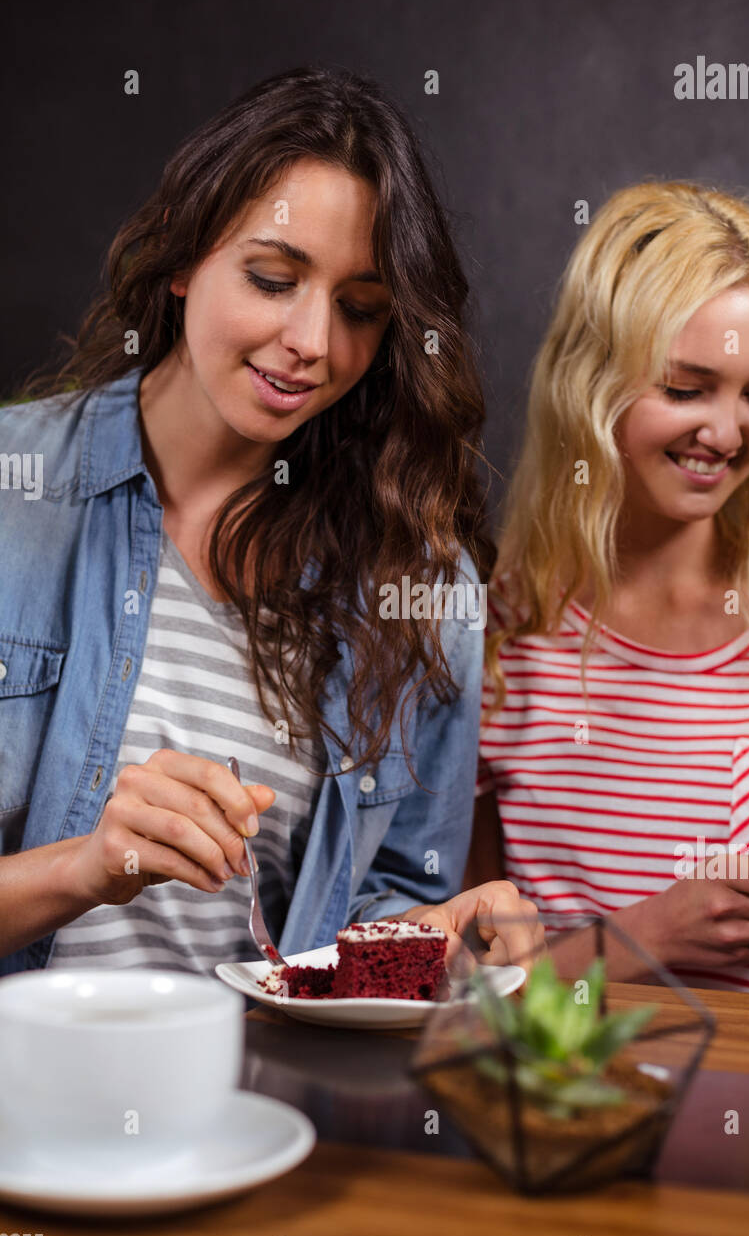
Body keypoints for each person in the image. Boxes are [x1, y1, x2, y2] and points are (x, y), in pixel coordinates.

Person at [0, 65, 542, 977]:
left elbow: (364, 930)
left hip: (262, 1110)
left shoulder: (424, 589)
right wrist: (84, 867)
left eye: (361, 309)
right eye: (272, 277)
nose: (313, 343)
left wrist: (439, 946)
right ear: (180, 257)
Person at [465, 180, 749, 1000]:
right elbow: (464, 989)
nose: (725, 434)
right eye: (685, 389)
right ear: (590, 384)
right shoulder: (493, 641)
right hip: (577, 1108)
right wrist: (642, 939)